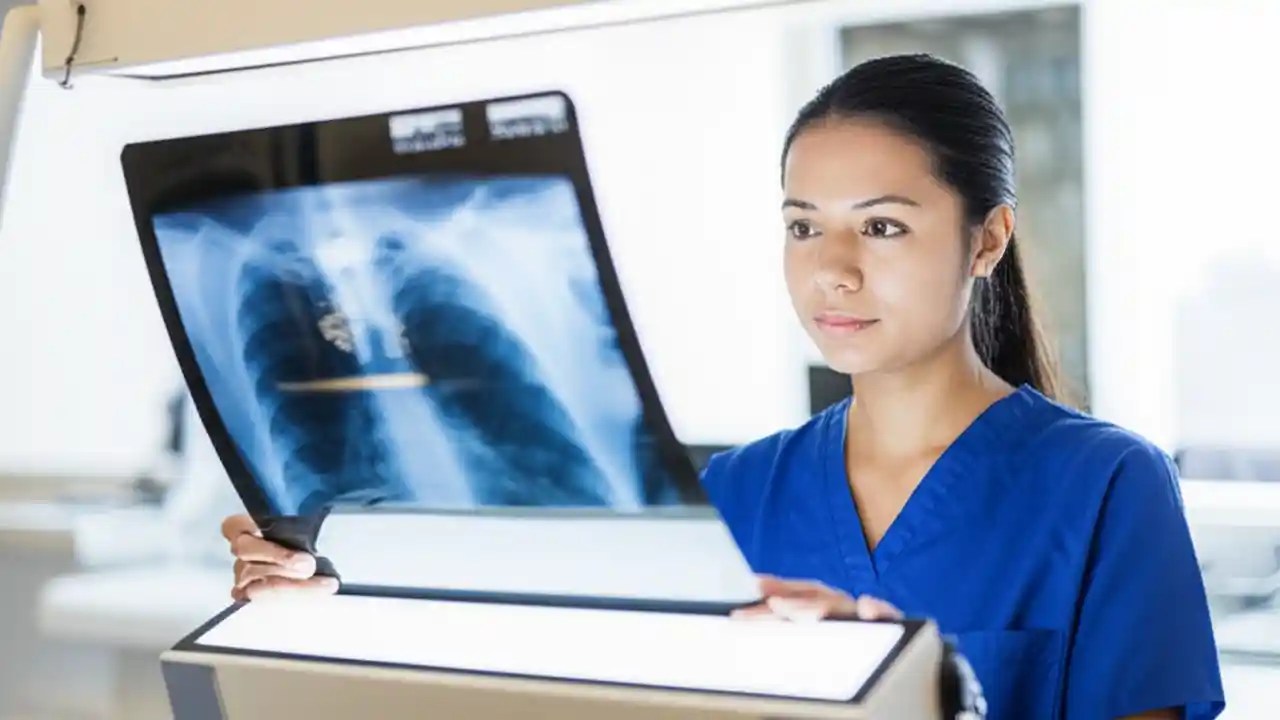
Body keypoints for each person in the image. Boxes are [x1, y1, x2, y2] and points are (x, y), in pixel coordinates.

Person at [220, 54, 1225, 720]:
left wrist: (914, 687)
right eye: (801, 225)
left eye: (880, 226)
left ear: (985, 238)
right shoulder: (733, 495)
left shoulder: (1103, 488)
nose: (830, 269)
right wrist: (321, 607)